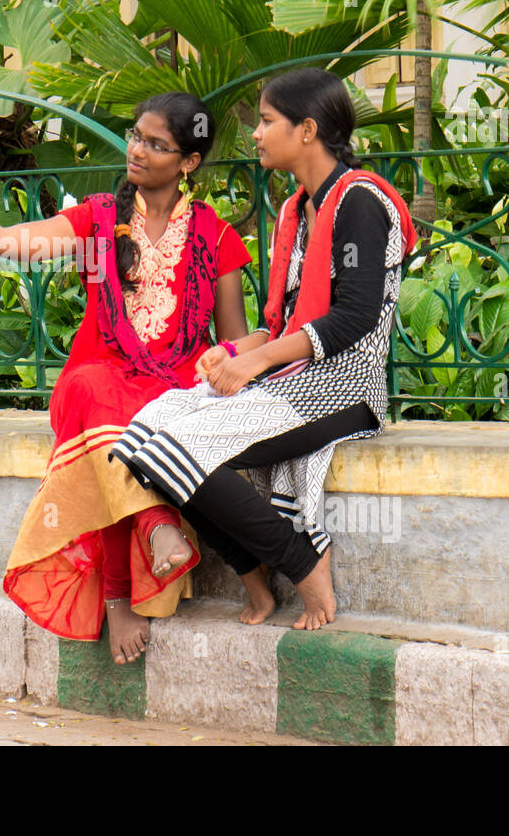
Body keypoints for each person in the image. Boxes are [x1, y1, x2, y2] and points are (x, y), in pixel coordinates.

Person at [0, 93, 251, 663]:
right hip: (102, 375)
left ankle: (119, 590)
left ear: (188, 162)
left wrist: (229, 358)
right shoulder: (97, 223)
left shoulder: (217, 237)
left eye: (157, 145)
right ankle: (150, 536)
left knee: (125, 423)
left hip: (177, 384)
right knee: (97, 398)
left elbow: (235, 336)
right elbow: (7, 242)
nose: (137, 150)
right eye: (136, 136)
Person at [109, 68, 417, 630]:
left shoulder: (361, 203)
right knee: (143, 434)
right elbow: (282, 324)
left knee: (179, 445)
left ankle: (303, 564)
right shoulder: (300, 209)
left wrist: (259, 361)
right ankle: (252, 570)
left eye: (268, 121)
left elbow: (355, 317)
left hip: (342, 391)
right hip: (290, 379)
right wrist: (233, 352)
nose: (255, 133)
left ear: (306, 130)